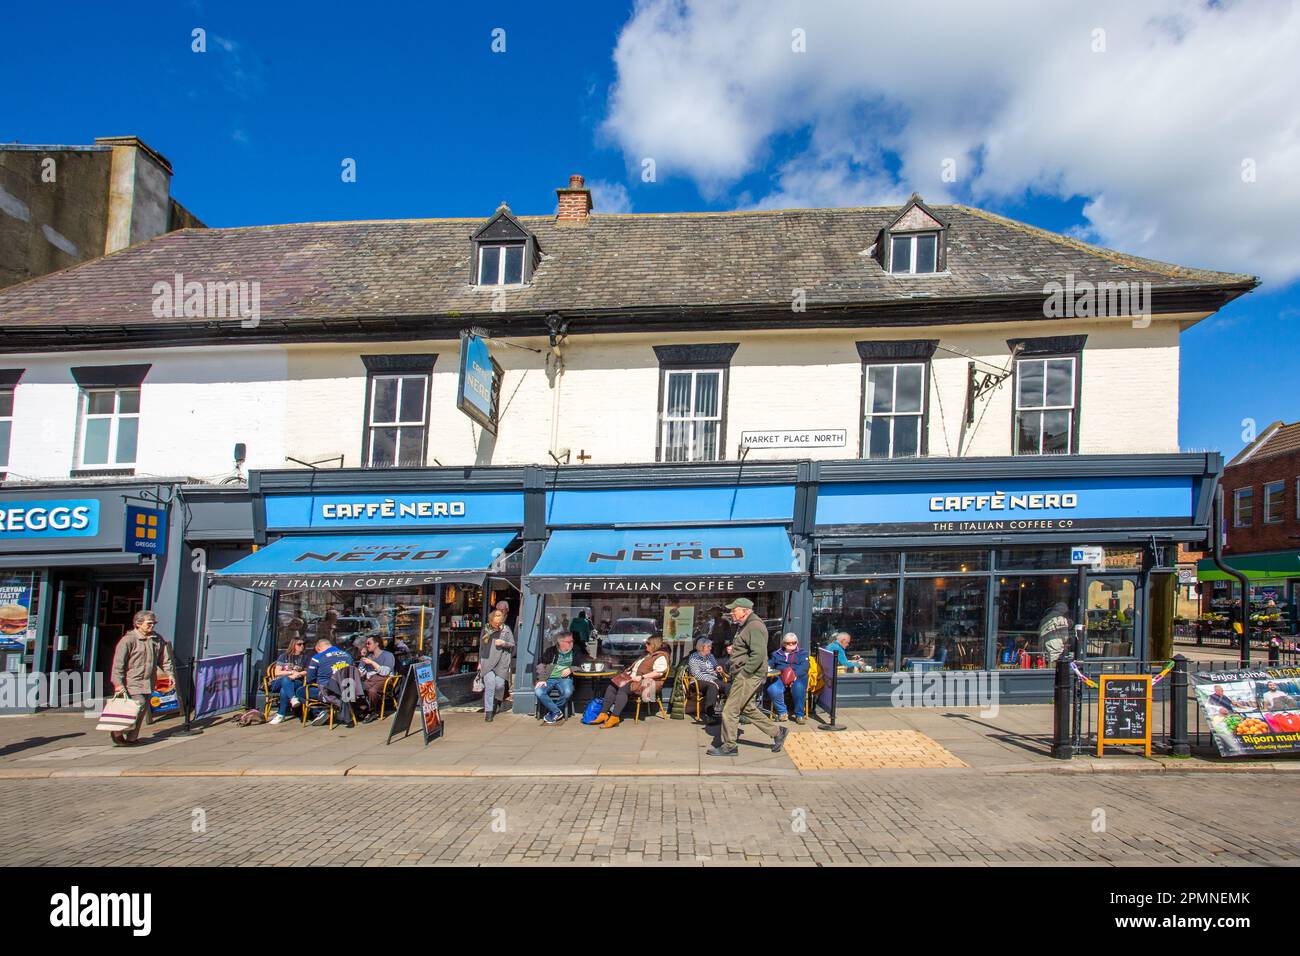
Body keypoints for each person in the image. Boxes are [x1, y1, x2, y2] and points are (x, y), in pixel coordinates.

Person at [708, 599, 787, 757]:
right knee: (747, 708)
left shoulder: (754, 626)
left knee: (729, 711)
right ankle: (778, 732)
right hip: (745, 674)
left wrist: (745, 673)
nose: (731, 613)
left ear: (745, 611)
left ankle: (729, 746)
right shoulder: (746, 625)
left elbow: (758, 654)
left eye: (734, 610)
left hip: (748, 675)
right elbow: (748, 649)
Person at [108, 610, 176, 746]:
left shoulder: (156, 639)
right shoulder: (129, 640)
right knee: (139, 704)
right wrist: (118, 683)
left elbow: (165, 659)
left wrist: (170, 674)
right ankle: (117, 731)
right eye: (149, 623)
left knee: (143, 709)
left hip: (148, 681)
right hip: (132, 680)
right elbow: (118, 664)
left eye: (153, 623)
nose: (152, 626)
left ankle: (132, 738)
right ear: (138, 624)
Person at [590, 636, 670, 729]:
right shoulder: (646, 654)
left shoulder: (661, 656)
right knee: (612, 685)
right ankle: (603, 714)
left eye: (648, 644)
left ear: (654, 645)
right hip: (634, 679)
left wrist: (641, 677)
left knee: (623, 689)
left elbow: (659, 673)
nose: (645, 645)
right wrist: (629, 672)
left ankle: (614, 717)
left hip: (648, 683)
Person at [534, 631, 591, 724]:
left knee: (568, 692)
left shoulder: (575, 650)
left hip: (564, 679)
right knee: (539, 691)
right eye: (569, 642)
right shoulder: (551, 651)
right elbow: (540, 665)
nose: (572, 643)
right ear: (561, 642)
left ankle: (554, 712)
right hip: (549, 678)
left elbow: (583, 664)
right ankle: (556, 712)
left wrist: (571, 669)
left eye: (572, 641)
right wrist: (541, 679)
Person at [305, 637, 354, 726]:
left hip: (329, 691)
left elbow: (309, 679)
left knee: (301, 692)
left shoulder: (318, 657)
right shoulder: (348, 655)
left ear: (318, 648)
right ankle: (330, 710)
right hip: (348, 690)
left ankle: (322, 711)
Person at [766, 632, 811, 724]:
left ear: (796, 643)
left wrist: (794, 675)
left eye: (793, 642)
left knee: (799, 688)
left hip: (797, 677)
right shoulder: (776, 654)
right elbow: (770, 664)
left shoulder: (802, 653)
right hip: (781, 676)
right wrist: (767, 666)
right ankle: (782, 712)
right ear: (784, 643)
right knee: (772, 689)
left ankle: (799, 715)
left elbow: (805, 666)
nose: (791, 645)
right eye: (788, 643)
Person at [478, 609, 515, 722]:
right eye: (495, 622)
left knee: (499, 685)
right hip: (487, 661)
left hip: (501, 662)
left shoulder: (506, 630)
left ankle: (497, 700)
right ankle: (489, 712)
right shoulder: (486, 629)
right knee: (489, 685)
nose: (497, 624)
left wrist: (503, 643)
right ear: (491, 620)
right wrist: (480, 662)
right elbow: (482, 646)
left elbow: (512, 644)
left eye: (499, 622)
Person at [268, 636, 311, 724]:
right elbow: (277, 672)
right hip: (278, 682)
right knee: (285, 679)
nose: (302, 646)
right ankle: (292, 698)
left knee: (284, 690)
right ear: (293, 645)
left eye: (304, 644)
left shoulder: (306, 657)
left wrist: (298, 674)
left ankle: (281, 714)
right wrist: (291, 673)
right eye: (299, 644)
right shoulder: (283, 656)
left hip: (296, 682)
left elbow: (307, 671)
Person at [685, 637, 726, 724]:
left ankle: (732, 712)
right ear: (701, 647)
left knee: (727, 686)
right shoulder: (693, 658)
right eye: (708, 647)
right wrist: (711, 681)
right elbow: (697, 674)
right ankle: (710, 715)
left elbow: (715, 666)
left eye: (710, 646)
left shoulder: (711, 656)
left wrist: (717, 668)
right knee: (712, 686)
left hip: (713, 679)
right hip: (697, 681)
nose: (710, 648)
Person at [356, 636, 396, 722]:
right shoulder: (368, 656)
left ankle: (372, 712)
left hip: (385, 680)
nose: (367, 645)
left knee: (372, 691)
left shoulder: (388, 655)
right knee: (354, 688)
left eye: (369, 643)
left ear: (377, 644)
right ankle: (363, 709)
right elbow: (361, 672)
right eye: (366, 644)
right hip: (370, 680)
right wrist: (362, 658)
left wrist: (371, 662)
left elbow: (385, 672)